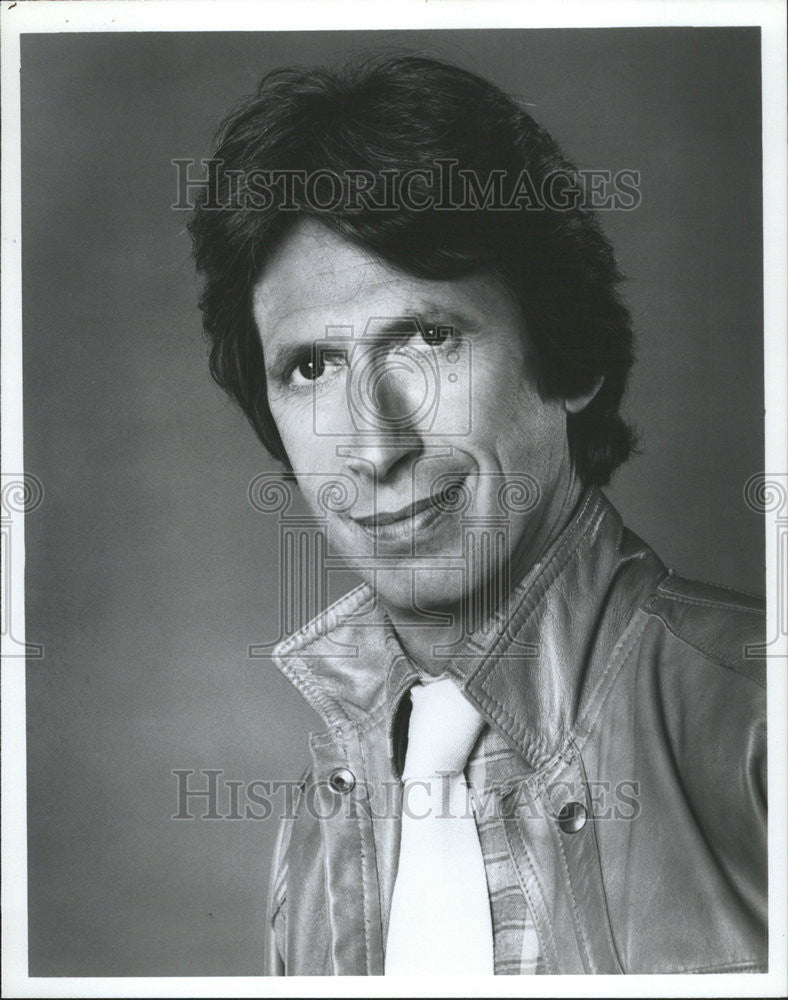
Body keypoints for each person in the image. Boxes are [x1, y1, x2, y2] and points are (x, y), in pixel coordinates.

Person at [187, 54, 767, 976]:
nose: (374, 448)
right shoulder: (320, 818)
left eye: (428, 338)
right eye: (311, 368)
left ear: (570, 358)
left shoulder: (761, 724)